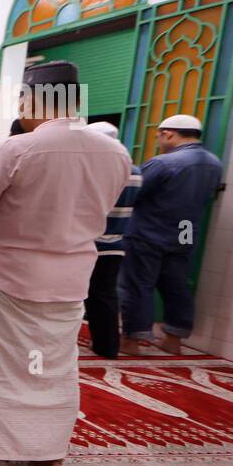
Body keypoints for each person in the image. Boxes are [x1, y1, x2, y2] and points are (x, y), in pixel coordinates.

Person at [0, 61, 130, 466]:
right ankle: (49, 456)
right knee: (54, 368)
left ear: (32, 101)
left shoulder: (20, 148)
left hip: (8, 275)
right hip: (71, 279)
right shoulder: (115, 152)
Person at [119, 114, 223, 355]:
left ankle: (132, 341)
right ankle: (173, 340)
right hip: (185, 233)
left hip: (149, 232)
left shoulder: (163, 163)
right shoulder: (214, 163)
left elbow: (133, 193)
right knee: (177, 287)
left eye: (158, 136)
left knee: (138, 285)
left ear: (168, 134)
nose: (158, 141)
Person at [81, 122, 141, 359]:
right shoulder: (134, 170)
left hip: (85, 243)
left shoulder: (93, 168)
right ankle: (107, 346)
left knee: (68, 296)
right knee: (105, 295)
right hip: (115, 243)